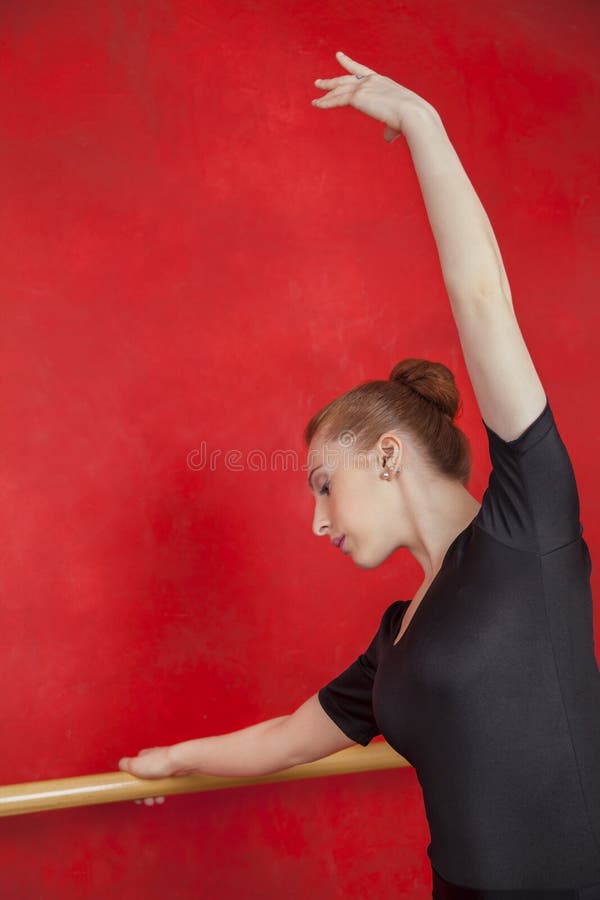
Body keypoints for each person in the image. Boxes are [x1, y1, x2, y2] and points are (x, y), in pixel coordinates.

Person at [118, 52, 600, 897]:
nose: (317, 521)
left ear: (386, 455)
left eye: (321, 484)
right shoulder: (393, 645)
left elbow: (481, 297)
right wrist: (169, 761)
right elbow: (285, 739)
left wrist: (422, 123)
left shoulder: (527, 531)